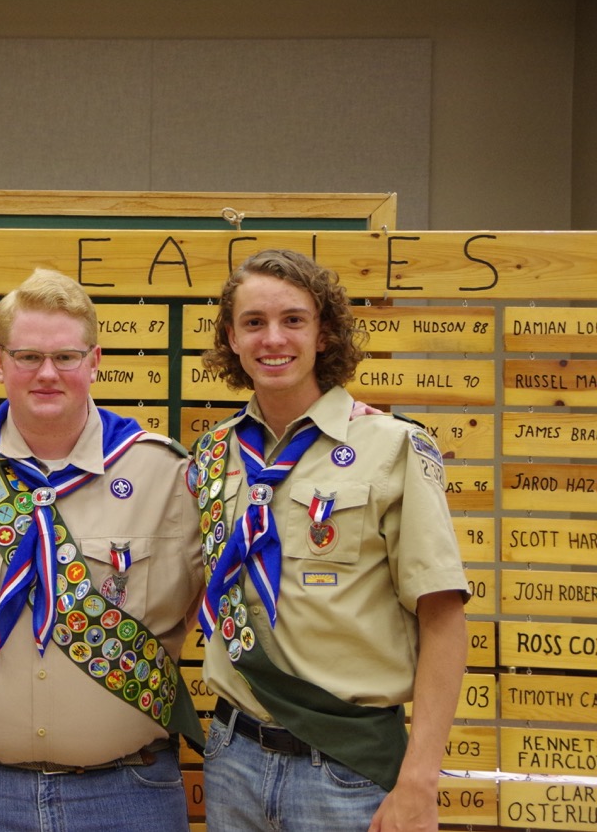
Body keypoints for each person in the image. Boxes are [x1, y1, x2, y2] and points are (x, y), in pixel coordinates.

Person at [0, 268, 205, 831]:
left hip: (127, 792)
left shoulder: (167, 475)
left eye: (66, 357)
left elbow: (214, 587)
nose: (46, 374)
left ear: (95, 360)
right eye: (27, 356)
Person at [192, 249, 468, 832]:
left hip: (345, 768)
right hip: (232, 755)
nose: (274, 338)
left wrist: (421, 777)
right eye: (253, 322)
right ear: (232, 339)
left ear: (324, 334)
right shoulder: (214, 454)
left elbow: (442, 619)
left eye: (294, 320)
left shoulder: (394, 448)